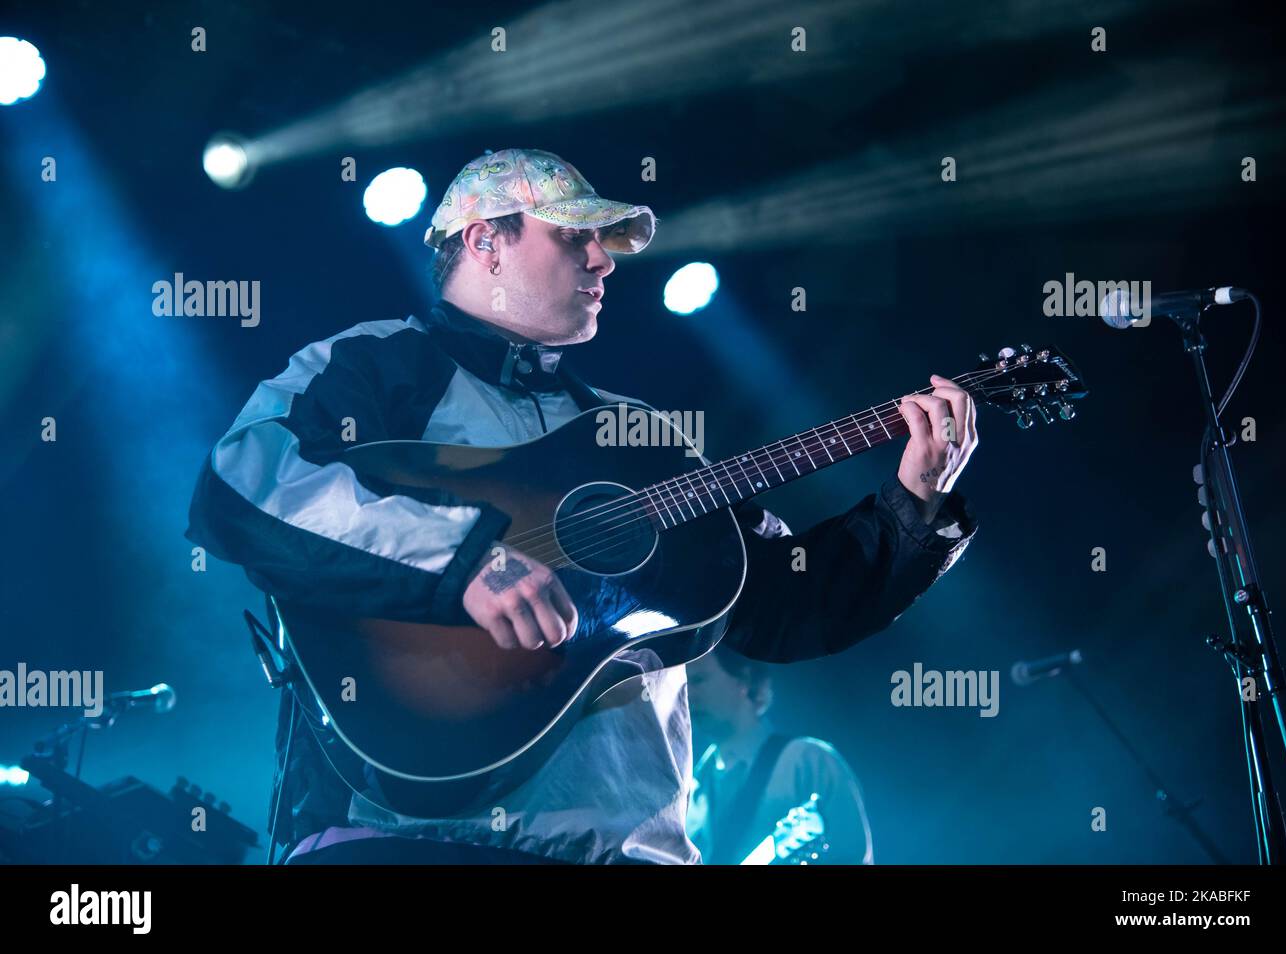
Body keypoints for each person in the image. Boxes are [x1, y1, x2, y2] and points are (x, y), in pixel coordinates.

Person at [185, 147, 979, 865]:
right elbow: (247, 483)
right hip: (404, 839)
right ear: (483, 241)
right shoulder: (376, 367)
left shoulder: (644, 436)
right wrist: (465, 560)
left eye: (605, 243)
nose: (604, 261)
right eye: (574, 236)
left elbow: (783, 606)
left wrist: (913, 505)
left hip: (629, 852)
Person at [687, 646, 871, 864]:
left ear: (743, 680)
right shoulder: (689, 789)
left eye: (698, 680)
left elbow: (851, 857)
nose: (688, 694)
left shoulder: (809, 762)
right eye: (684, 684)